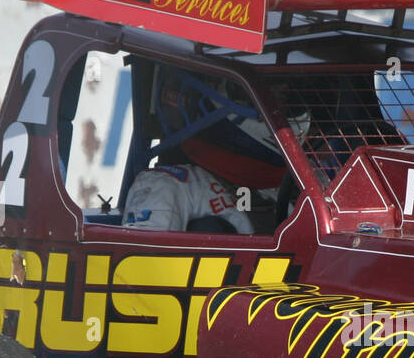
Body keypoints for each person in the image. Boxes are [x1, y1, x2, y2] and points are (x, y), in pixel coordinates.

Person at [123, 68, 293, 234]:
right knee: (211, 229)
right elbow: (148, 259)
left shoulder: (302, 184)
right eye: (268, 98)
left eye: (286, 98)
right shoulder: (168, 185)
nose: (277, 107)